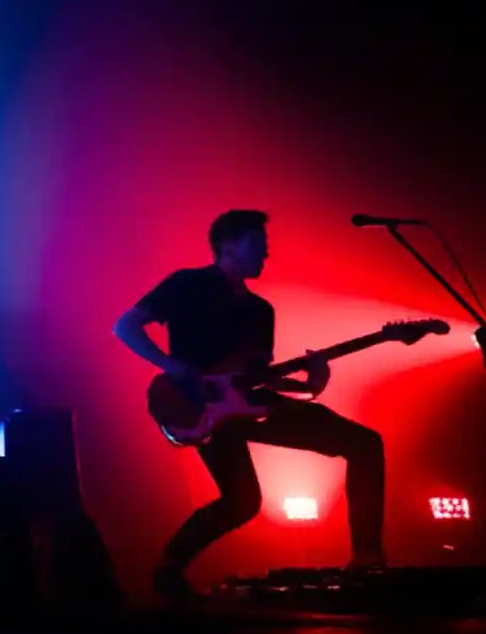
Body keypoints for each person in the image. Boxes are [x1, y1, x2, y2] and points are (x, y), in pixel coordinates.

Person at [112, 209, 385, 603]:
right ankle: (168, 566)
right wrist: (170, 365)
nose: (265, 254)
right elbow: (125, 325)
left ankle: (367, 557)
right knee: (242, 502)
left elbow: (256, 378)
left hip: (245, 407)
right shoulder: (187, 284)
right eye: (258, 245)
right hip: (199, 406)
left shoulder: (261, 311)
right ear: (227, 245)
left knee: (362, 443)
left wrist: (312, 383)